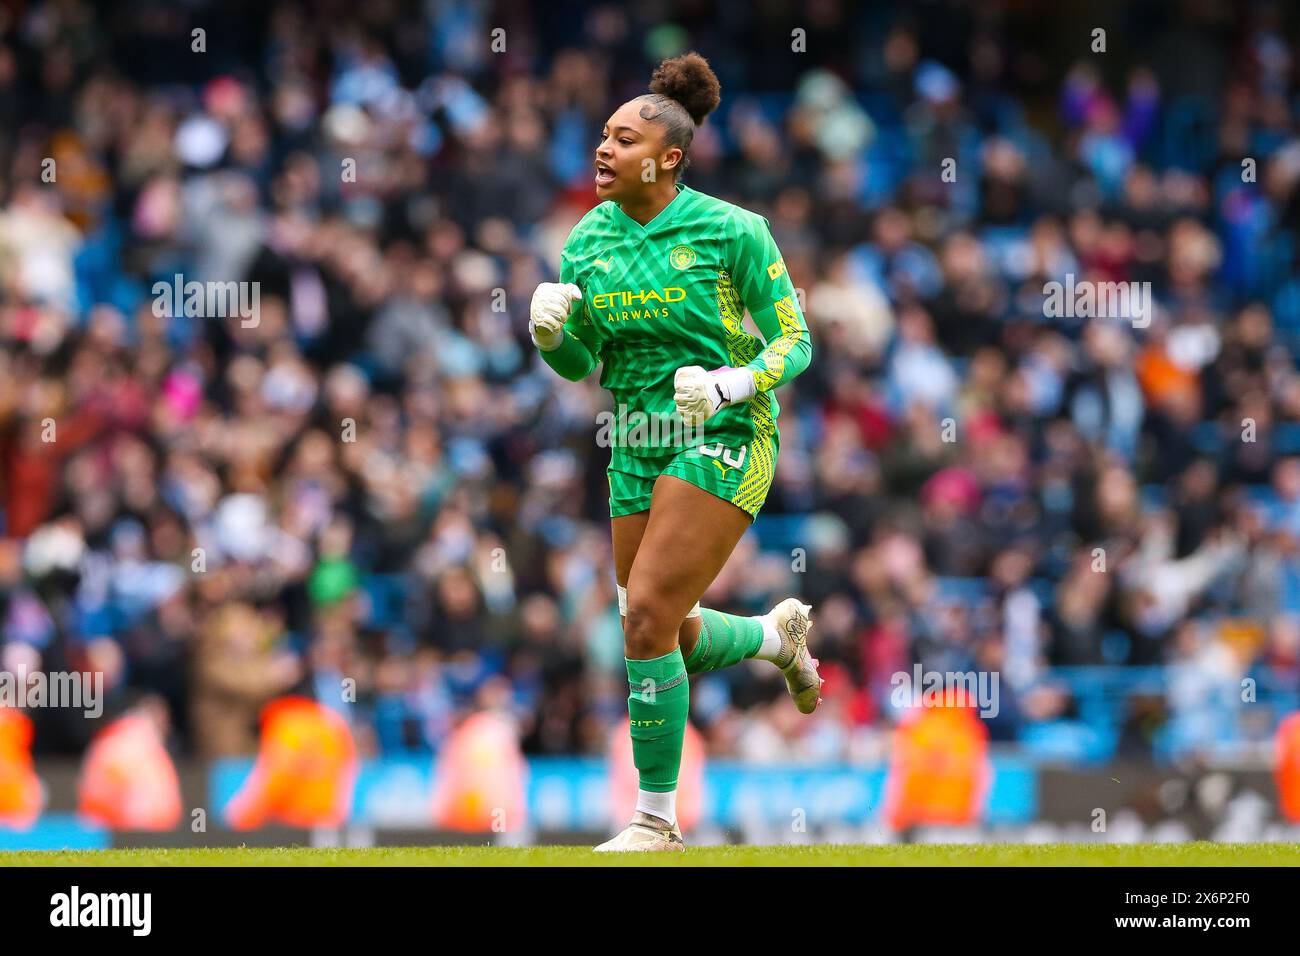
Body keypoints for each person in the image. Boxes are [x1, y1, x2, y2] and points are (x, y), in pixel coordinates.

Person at [528, 52, 819, 851]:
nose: (604, 150)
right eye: (602, 136)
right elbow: (583, 362)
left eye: (623, 140)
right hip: (634, 442)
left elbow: (796, 341)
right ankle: (771, 639)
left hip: (724, 434)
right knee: (655, 627)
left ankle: (656, 820)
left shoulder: (733, 231)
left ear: (669, 159)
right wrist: (553, 335)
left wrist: (732, 384)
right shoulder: (584, 241)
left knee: (648, 617)